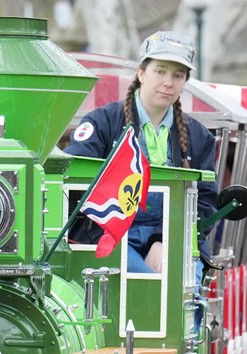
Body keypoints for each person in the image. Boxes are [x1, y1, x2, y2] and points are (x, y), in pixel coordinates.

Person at [64, 31, 218, 275]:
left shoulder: (199, 137)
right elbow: (72, 182)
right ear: (141, 73)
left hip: (176, 239)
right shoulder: (102, 123)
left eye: (178, 75)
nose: (169, 82)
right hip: (109, 236)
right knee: (144, 282)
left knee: (188, 289)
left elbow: (206, 203)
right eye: (160, 71)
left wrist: (164, 240)